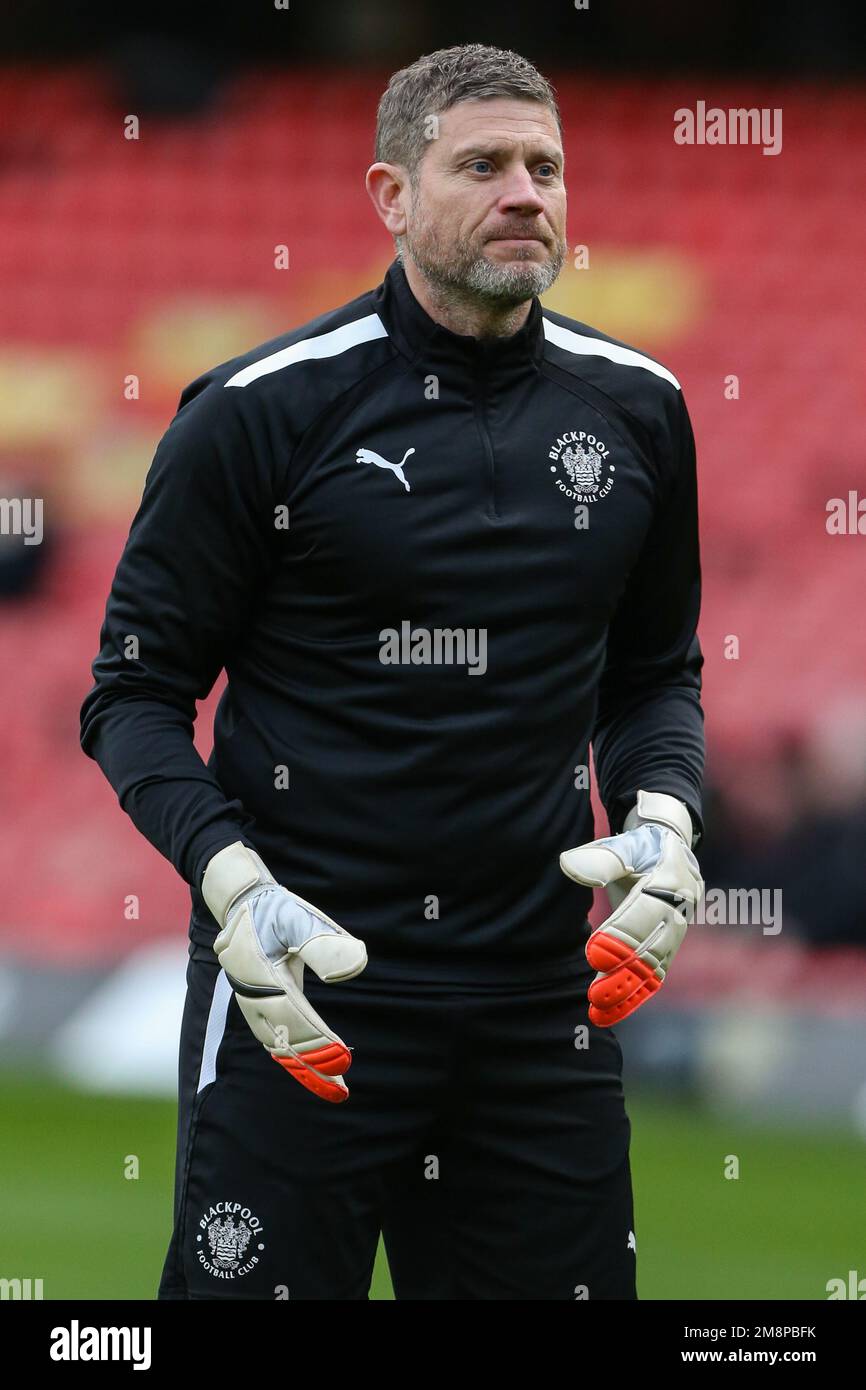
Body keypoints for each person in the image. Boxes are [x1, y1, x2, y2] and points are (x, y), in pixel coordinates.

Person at [80, 42, 705, 1300]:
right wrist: (228, 875)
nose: (525, 192)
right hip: (299, 999)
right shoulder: (257, 412)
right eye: (481, 164)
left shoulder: (639, 408)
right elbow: (131, 698)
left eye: (545, 166)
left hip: (542, 1005)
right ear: (391, 195)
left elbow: (651, 678)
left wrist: (667, 816)